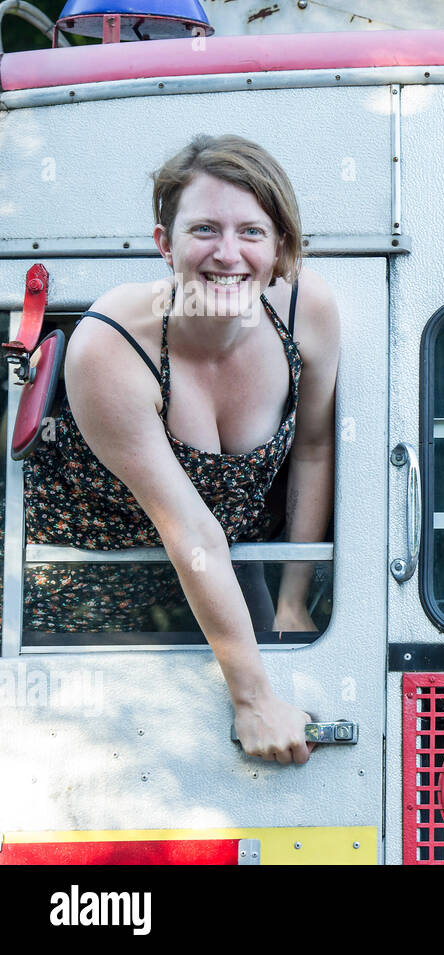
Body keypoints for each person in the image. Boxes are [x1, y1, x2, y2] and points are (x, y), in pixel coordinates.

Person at [20, 134, 339, 763]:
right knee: (99, 763)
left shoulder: (307, 310)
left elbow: (314, 446)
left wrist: (296, 598)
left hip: (225, 560)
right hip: (80, 573)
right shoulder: (110, 344)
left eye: (252, 231)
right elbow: (189, 528)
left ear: (280, 246)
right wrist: (251, 701)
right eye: (204, 230)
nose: (228, 254)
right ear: (165, 244)